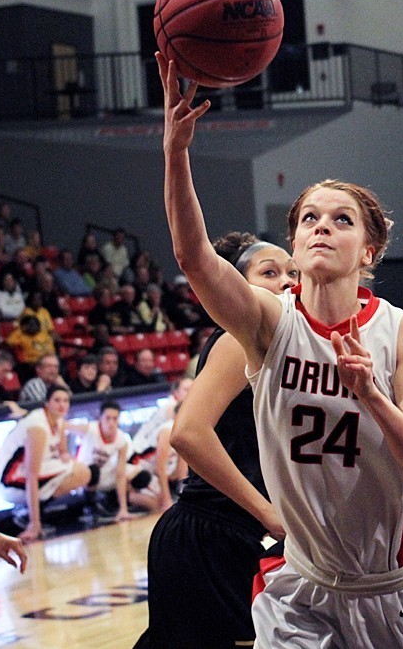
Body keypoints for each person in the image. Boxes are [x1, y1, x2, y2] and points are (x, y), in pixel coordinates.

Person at [158, 52, 403, 649]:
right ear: (295, 241)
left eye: (341, 220)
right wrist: (176, 153)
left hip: (395, 585)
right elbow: (193, 257)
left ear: (369, 251)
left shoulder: (402, 331)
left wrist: (371, 396)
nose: (321, 226)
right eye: (309, 218)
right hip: (300, 590)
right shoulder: (268, 321)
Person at [136, 232, 298, 649]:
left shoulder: (284, 346)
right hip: (209, 536)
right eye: (269, 273)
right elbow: (188, 434)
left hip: (233, 535)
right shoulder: (237, 339)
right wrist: (268, 513)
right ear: (234, 286)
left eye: (292, 273)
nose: (286, 281)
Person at [0, 385, 91, 542]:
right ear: (47, 403)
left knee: (81, 471)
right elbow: (32, 475)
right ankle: (29, 515)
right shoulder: (38, 427)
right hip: (9, 481)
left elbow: (63, 451)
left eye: (65, 401)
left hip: (24, 473)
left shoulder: (58, 420)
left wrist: (65, 455)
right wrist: (35, 523)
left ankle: (28, 511)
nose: (62, 405)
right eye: (57, 400)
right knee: (81, 472)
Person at [70, 399, 140, 524]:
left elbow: (120, 474)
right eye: (108, 418)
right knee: (93, 471)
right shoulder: (90, 428)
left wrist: (123, 509)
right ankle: (90, 507)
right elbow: (64, 426)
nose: (111, 423)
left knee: (138, 474)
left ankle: (115, 504)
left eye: (115, 419)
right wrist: (63, 451)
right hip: (81, 477)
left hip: (103, 476)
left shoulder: (121, 439)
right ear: (100, 418)